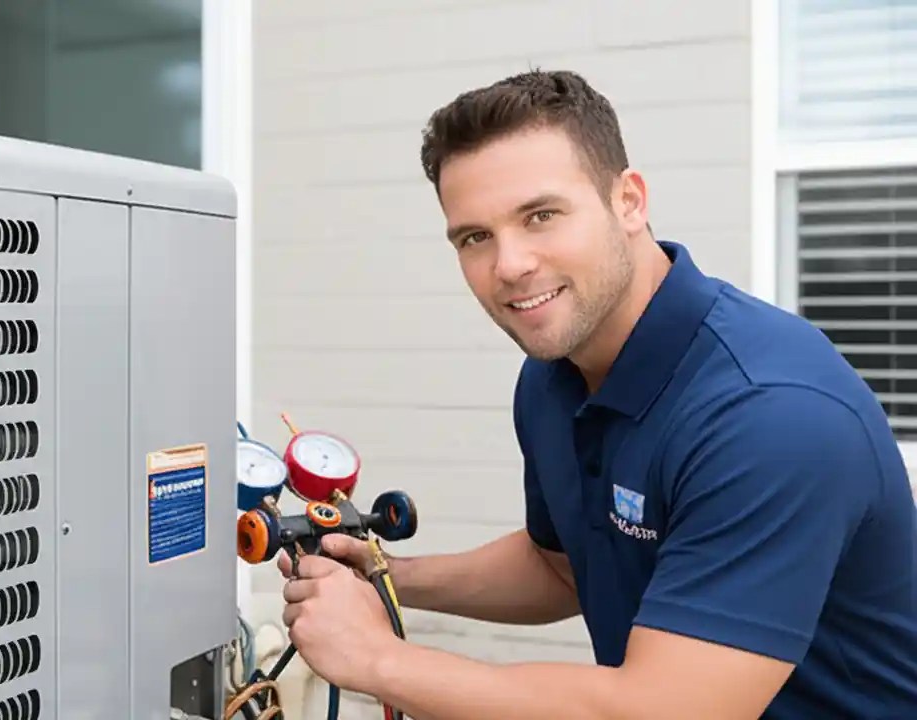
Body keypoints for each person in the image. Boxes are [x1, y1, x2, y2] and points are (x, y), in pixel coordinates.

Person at [277, 69, 917, 719]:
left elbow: (660, 712)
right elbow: (562, 569)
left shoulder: (772, 416)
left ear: (629, 201)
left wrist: (377, 659)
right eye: (475, 237)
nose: (510, 265)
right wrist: (385, 578)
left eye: (541, 215)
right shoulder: (555, 373)